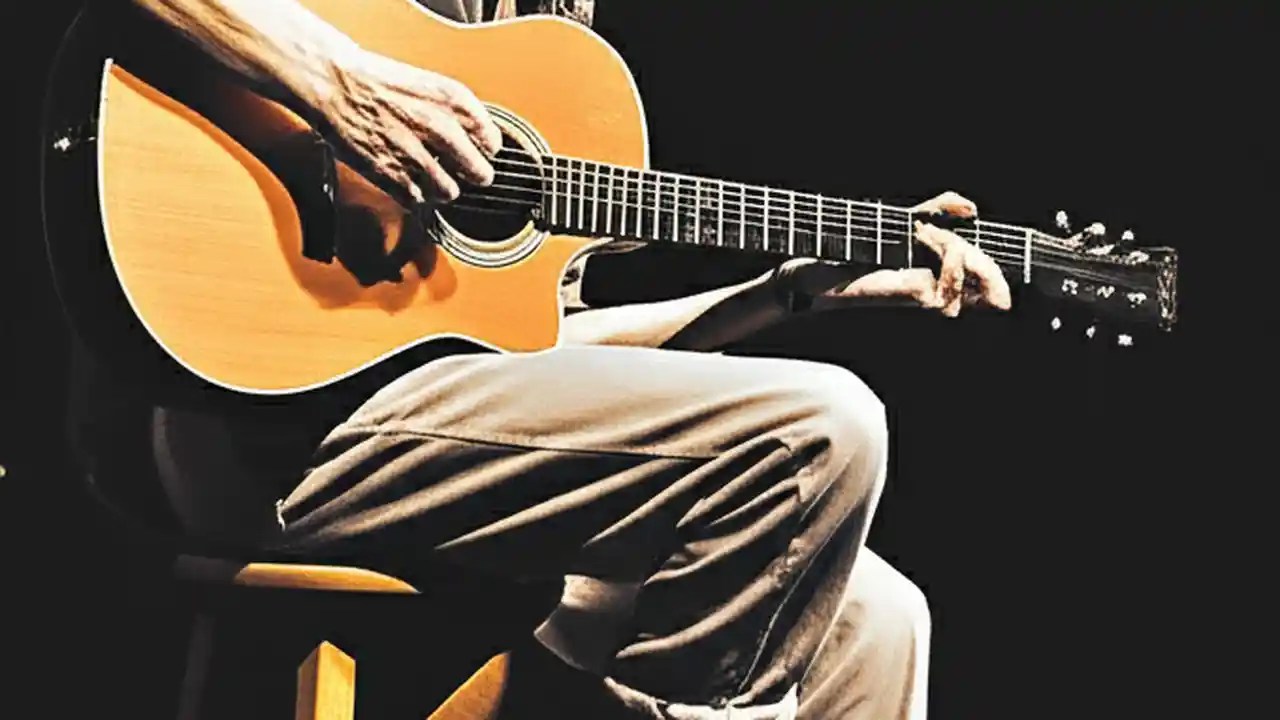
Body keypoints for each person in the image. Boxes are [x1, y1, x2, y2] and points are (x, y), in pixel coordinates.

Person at [67, 0, 1012, 718]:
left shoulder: (548, 32)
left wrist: (780, 297)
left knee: (879, 616)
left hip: (433, 434)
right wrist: (338, 83)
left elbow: (533, 351)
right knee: (824, 428)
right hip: (243, 422)